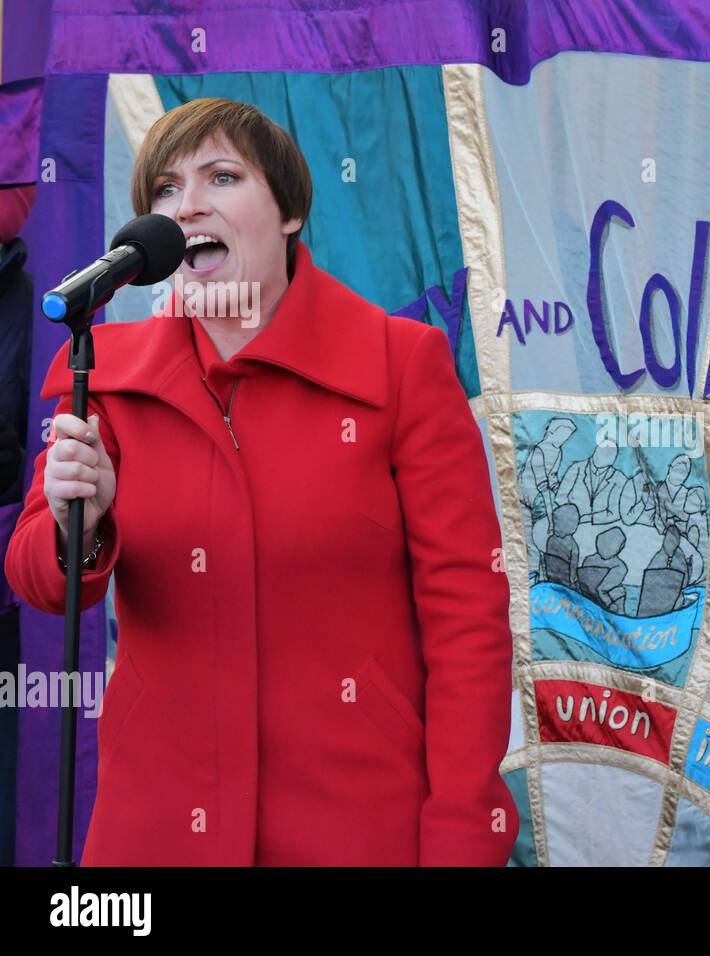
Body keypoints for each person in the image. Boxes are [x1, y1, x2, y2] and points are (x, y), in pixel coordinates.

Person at [3, 98, 518, 866]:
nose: (189, 205)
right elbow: (43, 579)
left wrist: (459, 840)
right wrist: (88, 517)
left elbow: (467, 625)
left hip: (357, 828)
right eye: (166, 191)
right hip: (153, 840)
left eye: (222, 176)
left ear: (289, 213)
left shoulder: (399, 366)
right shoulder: (105, 374)